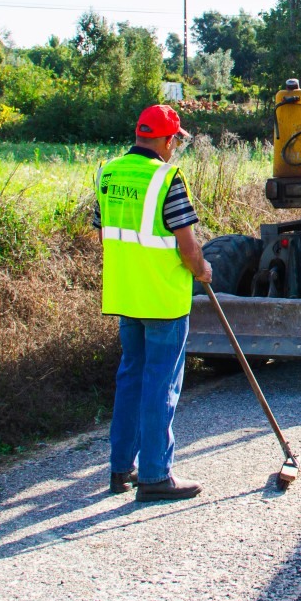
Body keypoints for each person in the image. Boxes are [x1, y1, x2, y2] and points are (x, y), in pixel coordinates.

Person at [94, 105, 214, 501]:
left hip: (126, 295)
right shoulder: (167, 178)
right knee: (161, 385)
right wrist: (201, 270)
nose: (174, 147)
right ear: (167, 140)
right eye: (175, 140)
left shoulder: (108, 173)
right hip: (163, 299)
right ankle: (155, 476)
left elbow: (103, 234)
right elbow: (187, 245)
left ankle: (120, 469)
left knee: (130, 379)